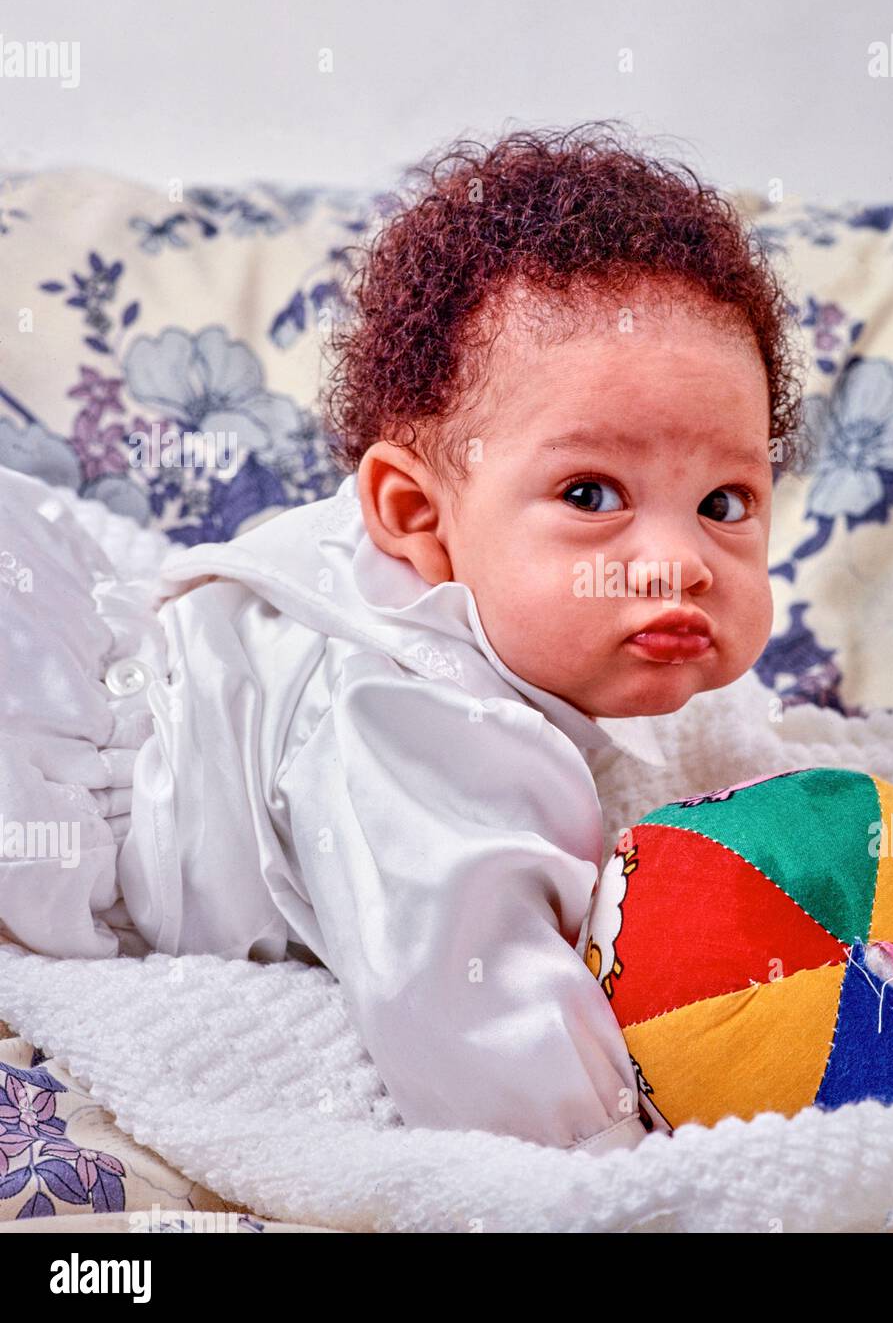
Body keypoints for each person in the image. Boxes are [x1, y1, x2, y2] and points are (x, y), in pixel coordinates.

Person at [0, 122, 806, 1154]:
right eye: (591, 493)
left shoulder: (446, 593)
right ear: (416, 515)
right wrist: (632, 1166)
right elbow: (477, 1031)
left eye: (725, 501)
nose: (677, 561)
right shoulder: (423, 716)